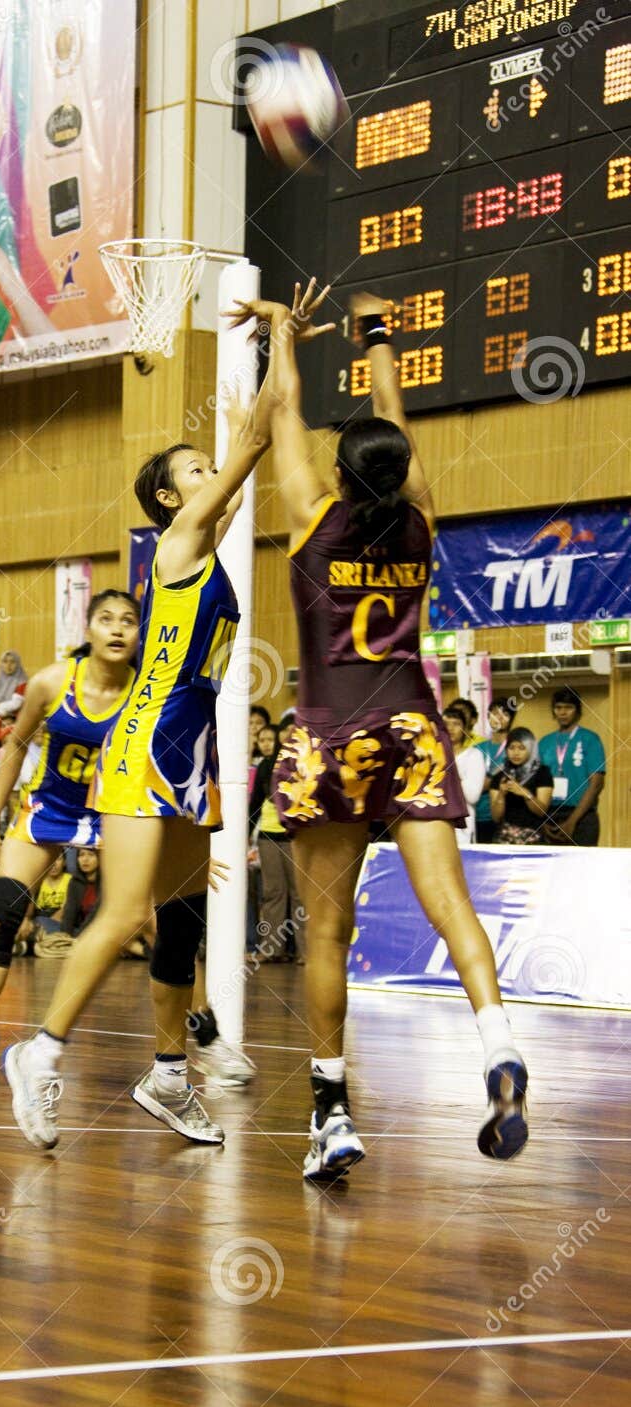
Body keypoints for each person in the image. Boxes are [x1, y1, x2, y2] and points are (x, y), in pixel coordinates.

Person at [1, 287, 329, 1152]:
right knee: (121, 914)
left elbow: (255, 438)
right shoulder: (180, 543)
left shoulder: (205, 552)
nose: (202, 472)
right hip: (147, 741)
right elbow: (260, 436)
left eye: (199, 465)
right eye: (189, 467)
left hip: (190, 750)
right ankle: (37, 1053)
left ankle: (169, 1074)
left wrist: (273, 356)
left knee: (182, 915)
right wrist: (276, 340)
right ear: (165, 498)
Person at [249, 281, 528, 1174]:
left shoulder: (310, 520)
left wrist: (282, 335)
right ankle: (496, 1044)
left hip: (329, 736)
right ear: (398, 472)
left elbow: (284, 408)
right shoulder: (421, 521)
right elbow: (391, 418)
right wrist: (377, 336)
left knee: (327, 934)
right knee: (453, 909)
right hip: (409, 728)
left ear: (339, 477)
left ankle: (330, 1112)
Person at [0, 591, 140, 1078]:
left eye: (128, 621)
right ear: (87, 630)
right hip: (50, 809)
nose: (116, 629)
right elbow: (14, 748)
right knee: (1, 916)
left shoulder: (147, 692)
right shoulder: (52, 682)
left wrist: (186, 844)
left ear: (139, 634)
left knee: (155, 921)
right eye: (105, 619)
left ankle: (206, 1038)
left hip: (115, 816)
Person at [252, 715, 305, 962]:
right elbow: (254, 803)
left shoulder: (306, 762)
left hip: (297, 837)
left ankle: (307, 952)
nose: (286, 735)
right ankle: (271, 950)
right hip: (268, 835)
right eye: (284, 730)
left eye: (290, 730)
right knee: (274, 893)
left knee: (299, 894)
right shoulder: (266, 765)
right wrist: (243, 835)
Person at [539, 687, 606, 846]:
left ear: (577, 710)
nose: (562, 712)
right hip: (549, 816)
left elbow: (596, 784)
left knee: (581, 869)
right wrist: (542, 820)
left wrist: (572, 821)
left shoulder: (590, 739)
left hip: (582, 816)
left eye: (568, 707)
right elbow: (537, 784)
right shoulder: (544, 742)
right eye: (558, 708)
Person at [490, 729, 553, 843]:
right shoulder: (499, 775)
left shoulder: (542, 773)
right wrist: (501, 795)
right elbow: (496, 817)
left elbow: (542, 812)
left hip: (534, 837)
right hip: (504, 838)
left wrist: (525, 794)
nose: (516, 753)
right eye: (512, 748)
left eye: (522, 748)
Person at [442, 701, 487, 845]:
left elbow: (472, 796)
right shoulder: (435, 755)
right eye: (446, 724)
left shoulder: (474, 755)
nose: (450, 728)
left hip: (462, 827)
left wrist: (451, 773)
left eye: (456, 724)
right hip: (437, 822)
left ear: (464, 728)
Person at [475, 697, 517, 844]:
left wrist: (480, 785)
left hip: (504, 817)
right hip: (476, 816)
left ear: (511, 718)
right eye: (494, 713)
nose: (499, 717)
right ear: (487, 716)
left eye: (504, 713)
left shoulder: (517, 749)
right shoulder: (477, 749)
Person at [0, 651, 27, 741]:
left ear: (18, 664)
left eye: (12, 662)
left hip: (16, 724)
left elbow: (15, 704)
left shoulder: (22, 683)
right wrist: (3, 711)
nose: (8, 665)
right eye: (5, 661)